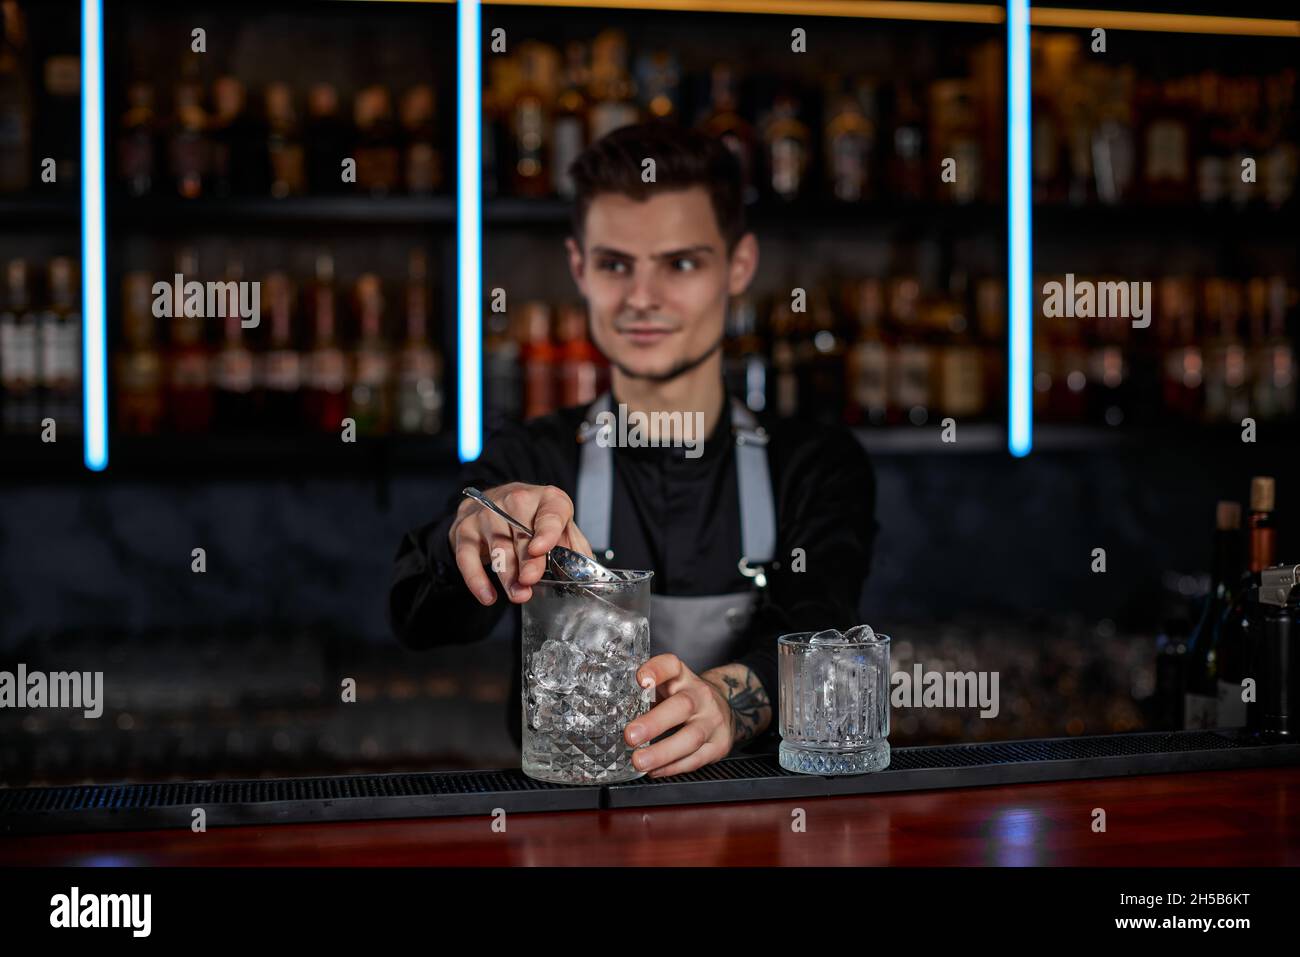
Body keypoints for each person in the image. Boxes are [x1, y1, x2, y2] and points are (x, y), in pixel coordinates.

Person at [390, 120, 877, 778]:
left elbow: (821, 629)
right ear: (579, 268)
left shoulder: (815, 463)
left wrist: (727, 704)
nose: (642, 298)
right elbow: (417, 617)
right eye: (616, 264)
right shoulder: (532, 458)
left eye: (680, 263)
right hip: (564, 833)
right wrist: (474, 532)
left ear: (739, 265)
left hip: (759, 826)